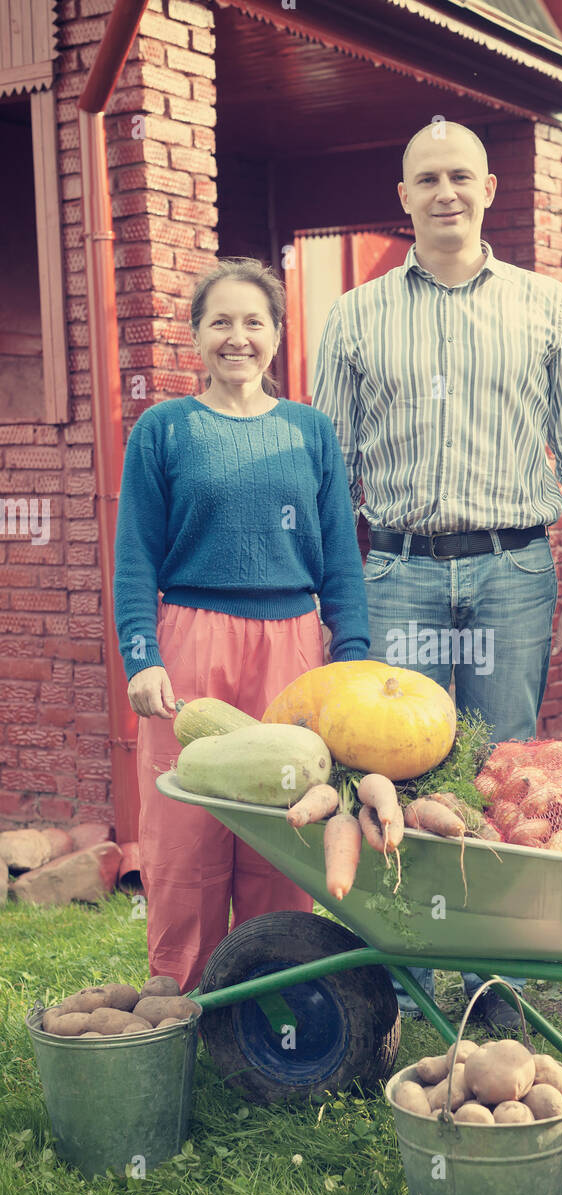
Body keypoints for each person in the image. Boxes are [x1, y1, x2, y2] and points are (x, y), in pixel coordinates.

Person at [312, 122, 562, 1031]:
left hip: (513, 570)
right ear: (402, 197)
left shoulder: (545, 305)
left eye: (460, 177)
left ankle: (495, 998)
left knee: (499, 781)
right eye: (425, 179)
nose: (444, 192)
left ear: (489, 188)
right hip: (398, 570)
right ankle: (397, 991)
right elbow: (326, 469)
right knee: (391, 783)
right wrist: (337, 590)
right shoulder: (356, 316)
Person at [114, 257, 370, 994]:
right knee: (186, 834)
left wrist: (348, 665)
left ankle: (278, 999)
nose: (237, 337)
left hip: (293, 644)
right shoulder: (164, 430)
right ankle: (185, 1001)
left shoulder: (309, 431)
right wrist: (143, 657)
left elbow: (342, 566)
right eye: (219, 322)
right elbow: (134, 558)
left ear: (277, 336)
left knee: (284, 828)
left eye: (253, 322)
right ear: (195, 337)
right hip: (190, 644)